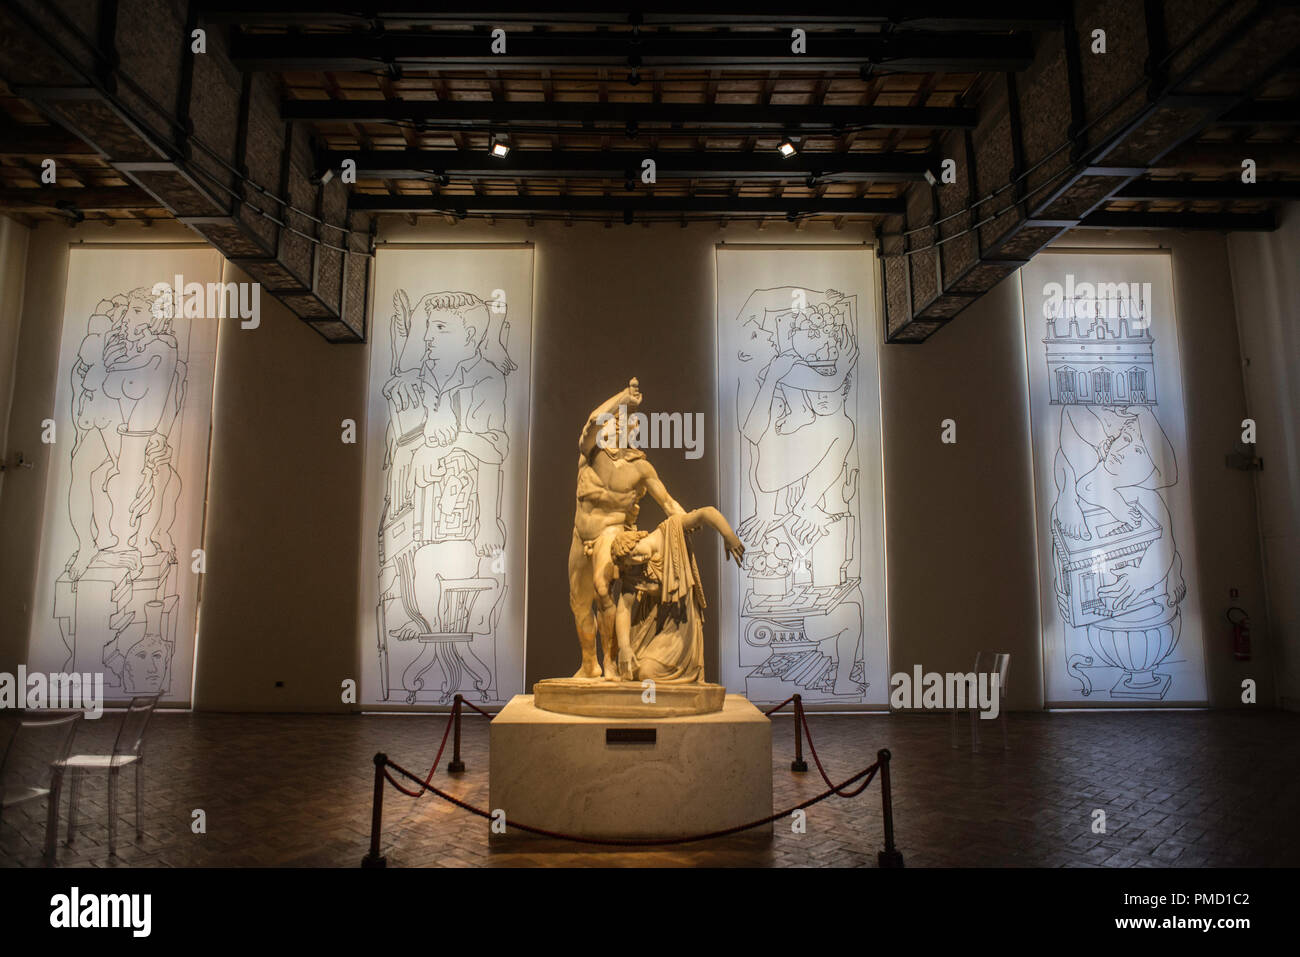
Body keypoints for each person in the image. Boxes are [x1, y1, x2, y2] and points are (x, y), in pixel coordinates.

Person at [568, 379, 685, 679]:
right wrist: (624, 398)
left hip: (611, 531)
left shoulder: (639, 469)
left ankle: (610, 661)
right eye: (614, 423)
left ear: (632, 432)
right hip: (581, 535)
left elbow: (669, 504)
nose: (616, 429)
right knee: (579, 603)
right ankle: (589, 664)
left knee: (602, 587)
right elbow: (592, 421)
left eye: (624, 425)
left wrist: (692, 523)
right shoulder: (589, 451)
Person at [608, 507, 745, 682]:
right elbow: (624, 609)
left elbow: (707, 513)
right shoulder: (636, 570)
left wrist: (729, 536)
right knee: (631, 671)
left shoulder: (672, 530)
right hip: (654, 625)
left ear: (637, 539)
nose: (638, 560)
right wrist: (625, 647)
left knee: (646, 673)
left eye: (634, 553)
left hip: (680, 623)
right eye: (631, 562)